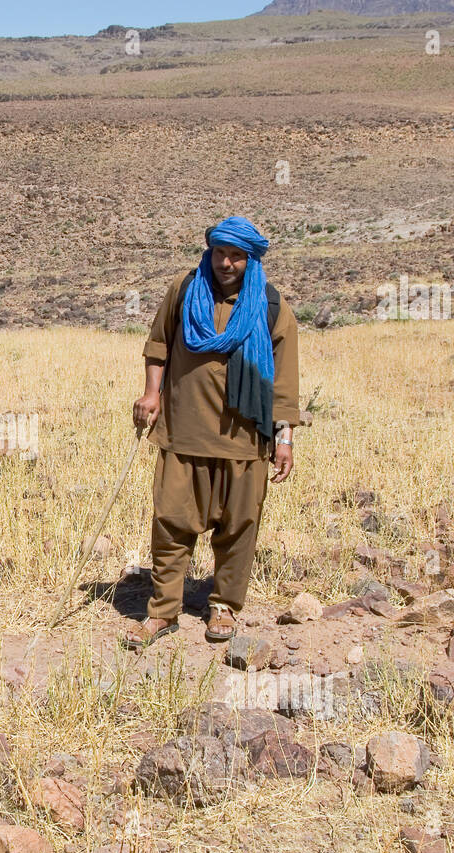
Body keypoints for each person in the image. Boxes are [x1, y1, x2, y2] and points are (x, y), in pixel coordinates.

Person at [124, 216, 300, 649]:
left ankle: (223, 605)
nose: (225, 262)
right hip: (183, 430)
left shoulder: (271, 305)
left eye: (236, 255)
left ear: (250, 258)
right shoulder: (185, 291)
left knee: (239, 525)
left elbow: (284, 381)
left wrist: (285, 438)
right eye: (220, 252)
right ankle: (164, 611)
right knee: (170, 522)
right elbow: (159, 344)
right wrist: (151, 394)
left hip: (246, 439)